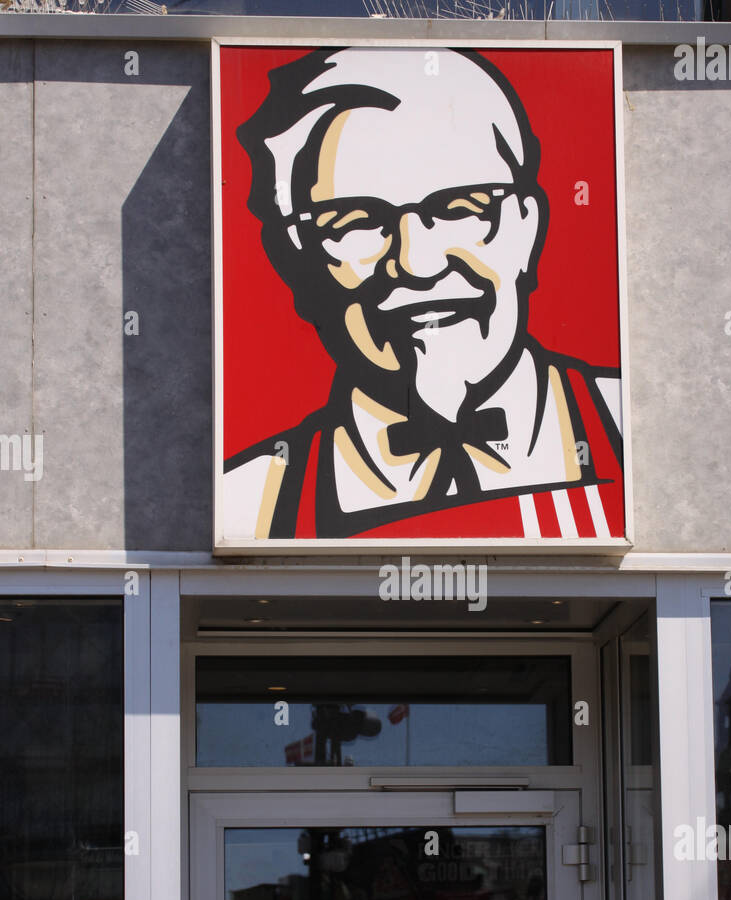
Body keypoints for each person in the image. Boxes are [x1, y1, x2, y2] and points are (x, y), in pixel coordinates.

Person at [224, 47, 624, 541]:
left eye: (461, 207)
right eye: (355, 221)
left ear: (528, 228)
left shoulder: (634, 433)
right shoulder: (249, 501)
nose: (417, 263)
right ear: (295, 263)